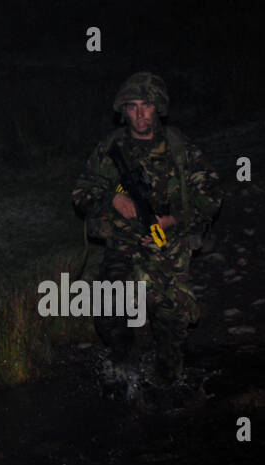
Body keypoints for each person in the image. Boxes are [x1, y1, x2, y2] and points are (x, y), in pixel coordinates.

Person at [72, 71, 222, 385]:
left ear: (159, 108)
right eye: (132, 107)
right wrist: (113, 199)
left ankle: (169, 378)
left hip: (167, 244)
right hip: (123, 243)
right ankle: (125, 371)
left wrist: (174, 219)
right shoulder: (111, 148)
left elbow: (210, 197)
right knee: (108, 312)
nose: (140, 114)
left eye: (147, 106)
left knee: (170, 318)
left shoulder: (180, 149)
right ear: (123, 110)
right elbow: (82, 192)